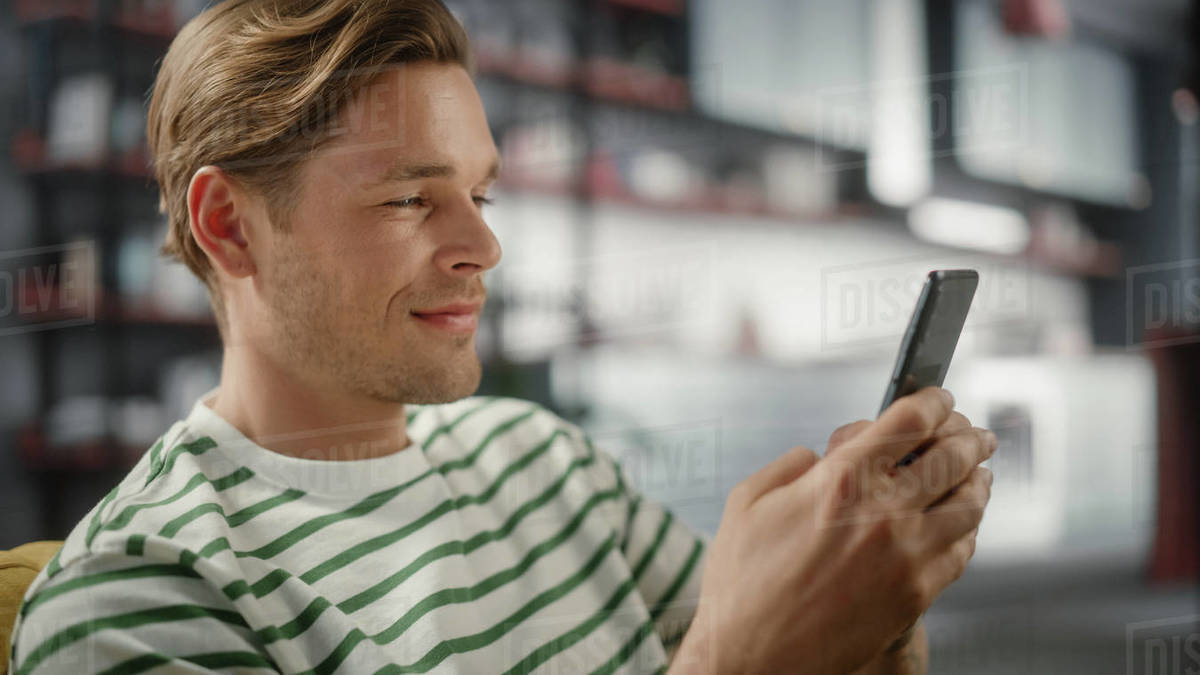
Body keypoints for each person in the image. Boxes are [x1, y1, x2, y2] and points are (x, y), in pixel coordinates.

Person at [7, 1, 996, 673]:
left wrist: (862, 589)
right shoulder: (132, 602)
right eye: (410, 197)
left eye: (479, 193)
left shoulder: (542, 460)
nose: (484, 245)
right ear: (230, 226)